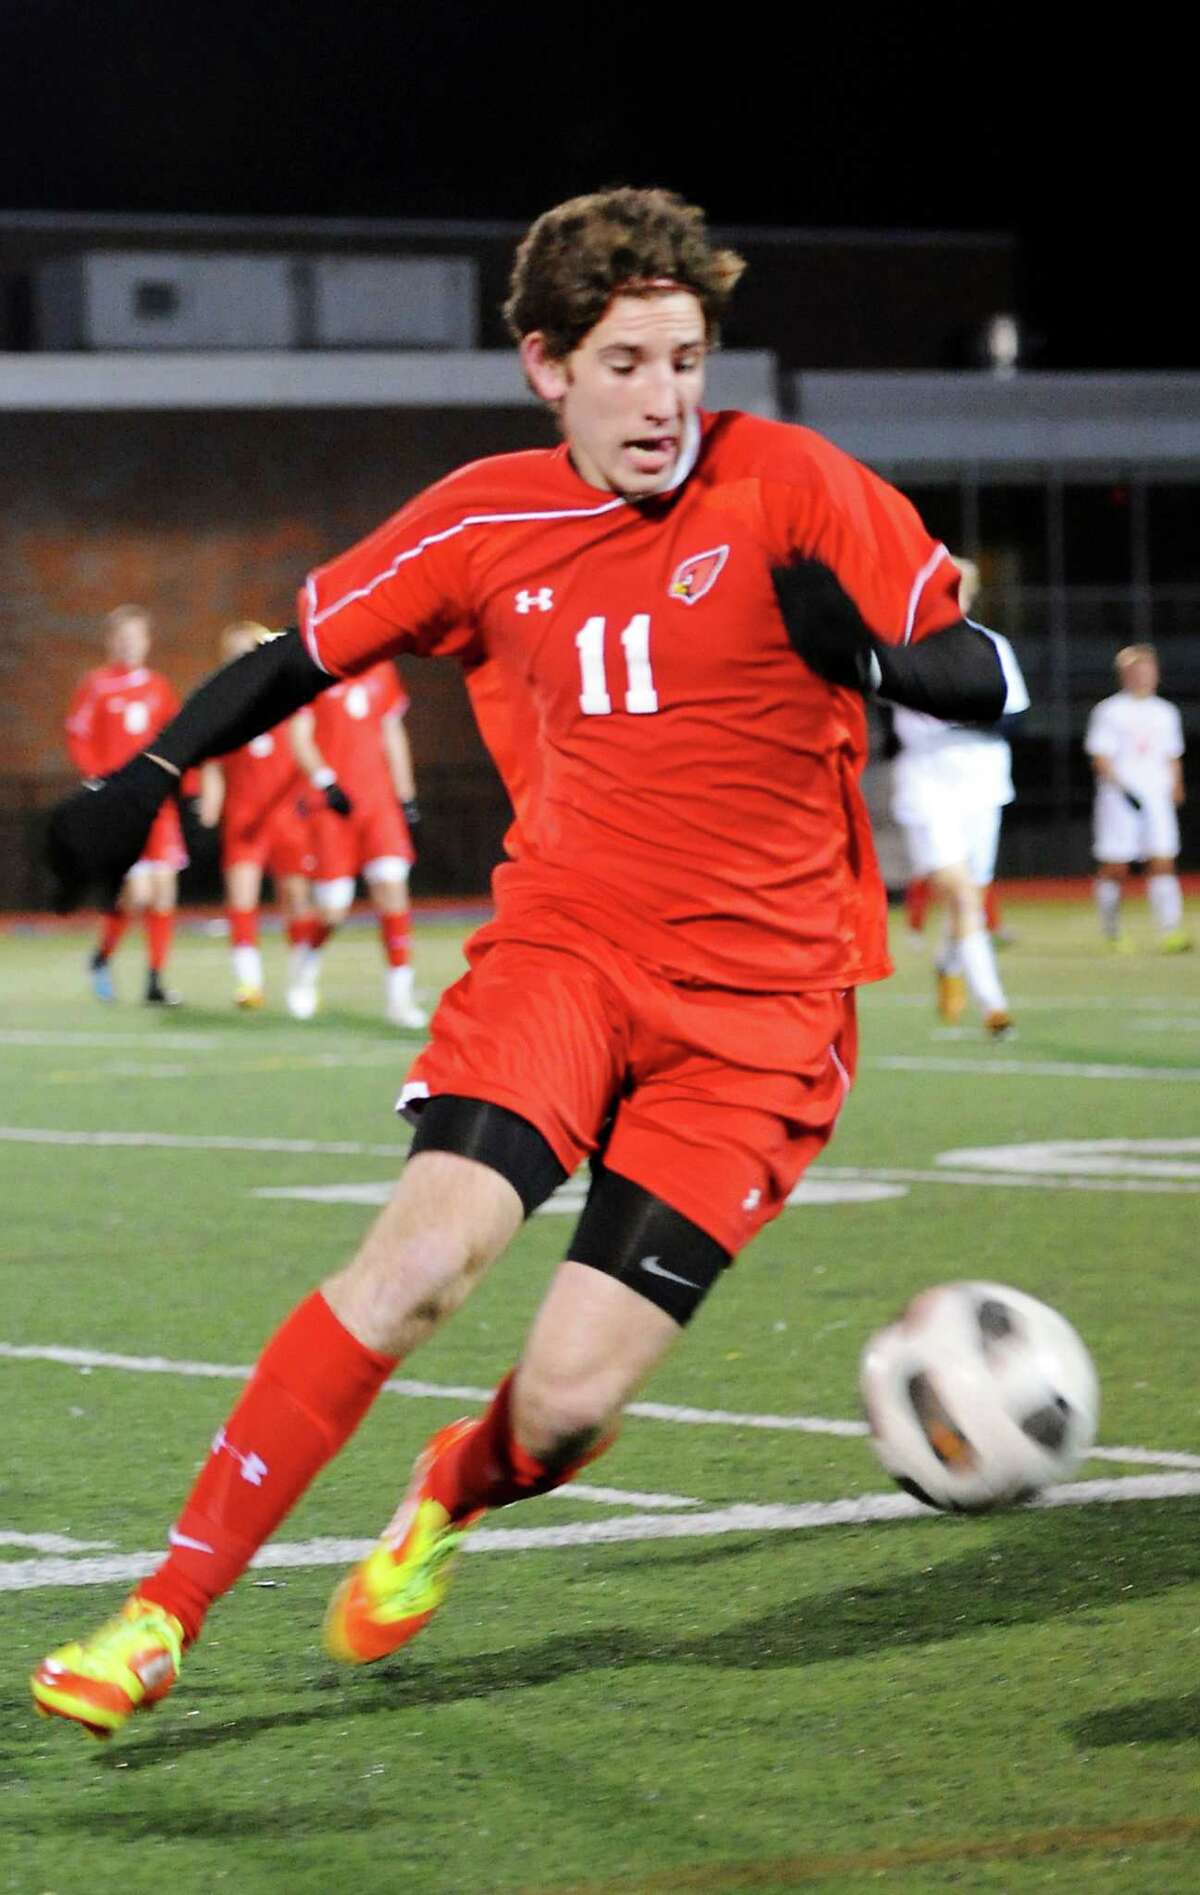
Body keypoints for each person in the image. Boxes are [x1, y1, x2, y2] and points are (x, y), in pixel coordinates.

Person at [33, 186, 1021, 1739]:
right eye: (625, 362)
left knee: (565, 1405)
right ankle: (166, 1608)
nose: (664, 398)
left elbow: (990, 669)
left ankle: (457, 1483)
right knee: (418, 1262)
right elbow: (299, 653)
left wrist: (877, 654)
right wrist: (149, 774)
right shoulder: (481, 519)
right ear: (547, 366)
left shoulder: (793, 482)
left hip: (765, 1016)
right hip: (565, 954)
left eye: (685, 359)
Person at [888, 556, 1028, 1035]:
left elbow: (1015, 716)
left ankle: (948, 964)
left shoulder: (991, 646)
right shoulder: (903, 643)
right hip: (927, 782)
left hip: (983, 780)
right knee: (963, 893)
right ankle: (994, 1006)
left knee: (971, 893)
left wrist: (967, 718)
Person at [287, 660, 426, 1027]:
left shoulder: (382, 672)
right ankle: (305, 967)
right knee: (333, 909)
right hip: (334, 808)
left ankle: (399, 997)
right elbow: (299, 737)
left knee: (392, 890)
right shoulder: (315, 670)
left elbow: (393, 734)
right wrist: (326, 782)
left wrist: (405, 794)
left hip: (378, 804)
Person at [63, 604, 187, 1006]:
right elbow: (78, 735)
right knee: (136, 893)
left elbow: (174, 739)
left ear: (147, 642)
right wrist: (95, 778)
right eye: (122, 637)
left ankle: (155, 982)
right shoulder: (96, 685)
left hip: (156, 802)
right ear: (110, 641)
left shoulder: (159, 688)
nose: (129, 644)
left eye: (136, 636)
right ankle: (101, 958)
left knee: (164, 890)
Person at [197, 622, 323, 1010]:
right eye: (234, 652)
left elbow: (304, 746)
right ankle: (249, 983)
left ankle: (301, 982)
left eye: (248, 648)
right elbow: (212, 762)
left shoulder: (288, 695)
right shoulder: (220, 704)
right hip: (243, 814)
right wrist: (210, 804)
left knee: (296, 897)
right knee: (242, 897)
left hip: (286, 813)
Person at [1085, 644, 1190, 952]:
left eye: (1149, 670)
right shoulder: (1109, 710)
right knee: (1115, 867)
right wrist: (1123, 789)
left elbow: (1172, 754)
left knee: (1162, 861)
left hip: (1157, 798)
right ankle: (1112, 931)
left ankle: (1170, 931)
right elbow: (1100, 756)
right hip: (1119, 800)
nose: (1144, 676)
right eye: (1137, 671)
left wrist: (1176, 784)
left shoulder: (1165, 712)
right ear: (1124, 675)